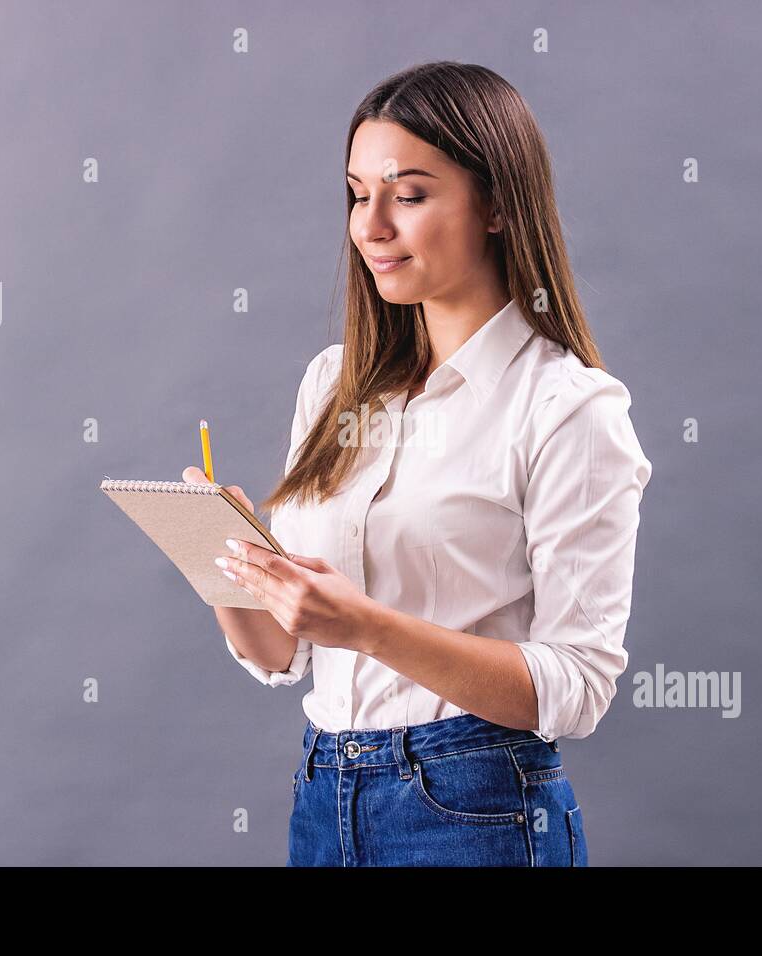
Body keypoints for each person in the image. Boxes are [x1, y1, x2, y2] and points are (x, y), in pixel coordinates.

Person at [184, 61, 652, 866]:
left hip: (475, 806)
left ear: (499, 205)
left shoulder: (567, 408)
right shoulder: (333, 383)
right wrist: (219, 558)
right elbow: (285, 654)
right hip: (325, 794)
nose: (371, 227)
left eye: (408, 195)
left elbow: (575, 689)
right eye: (357, 195)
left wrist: (365, 626)